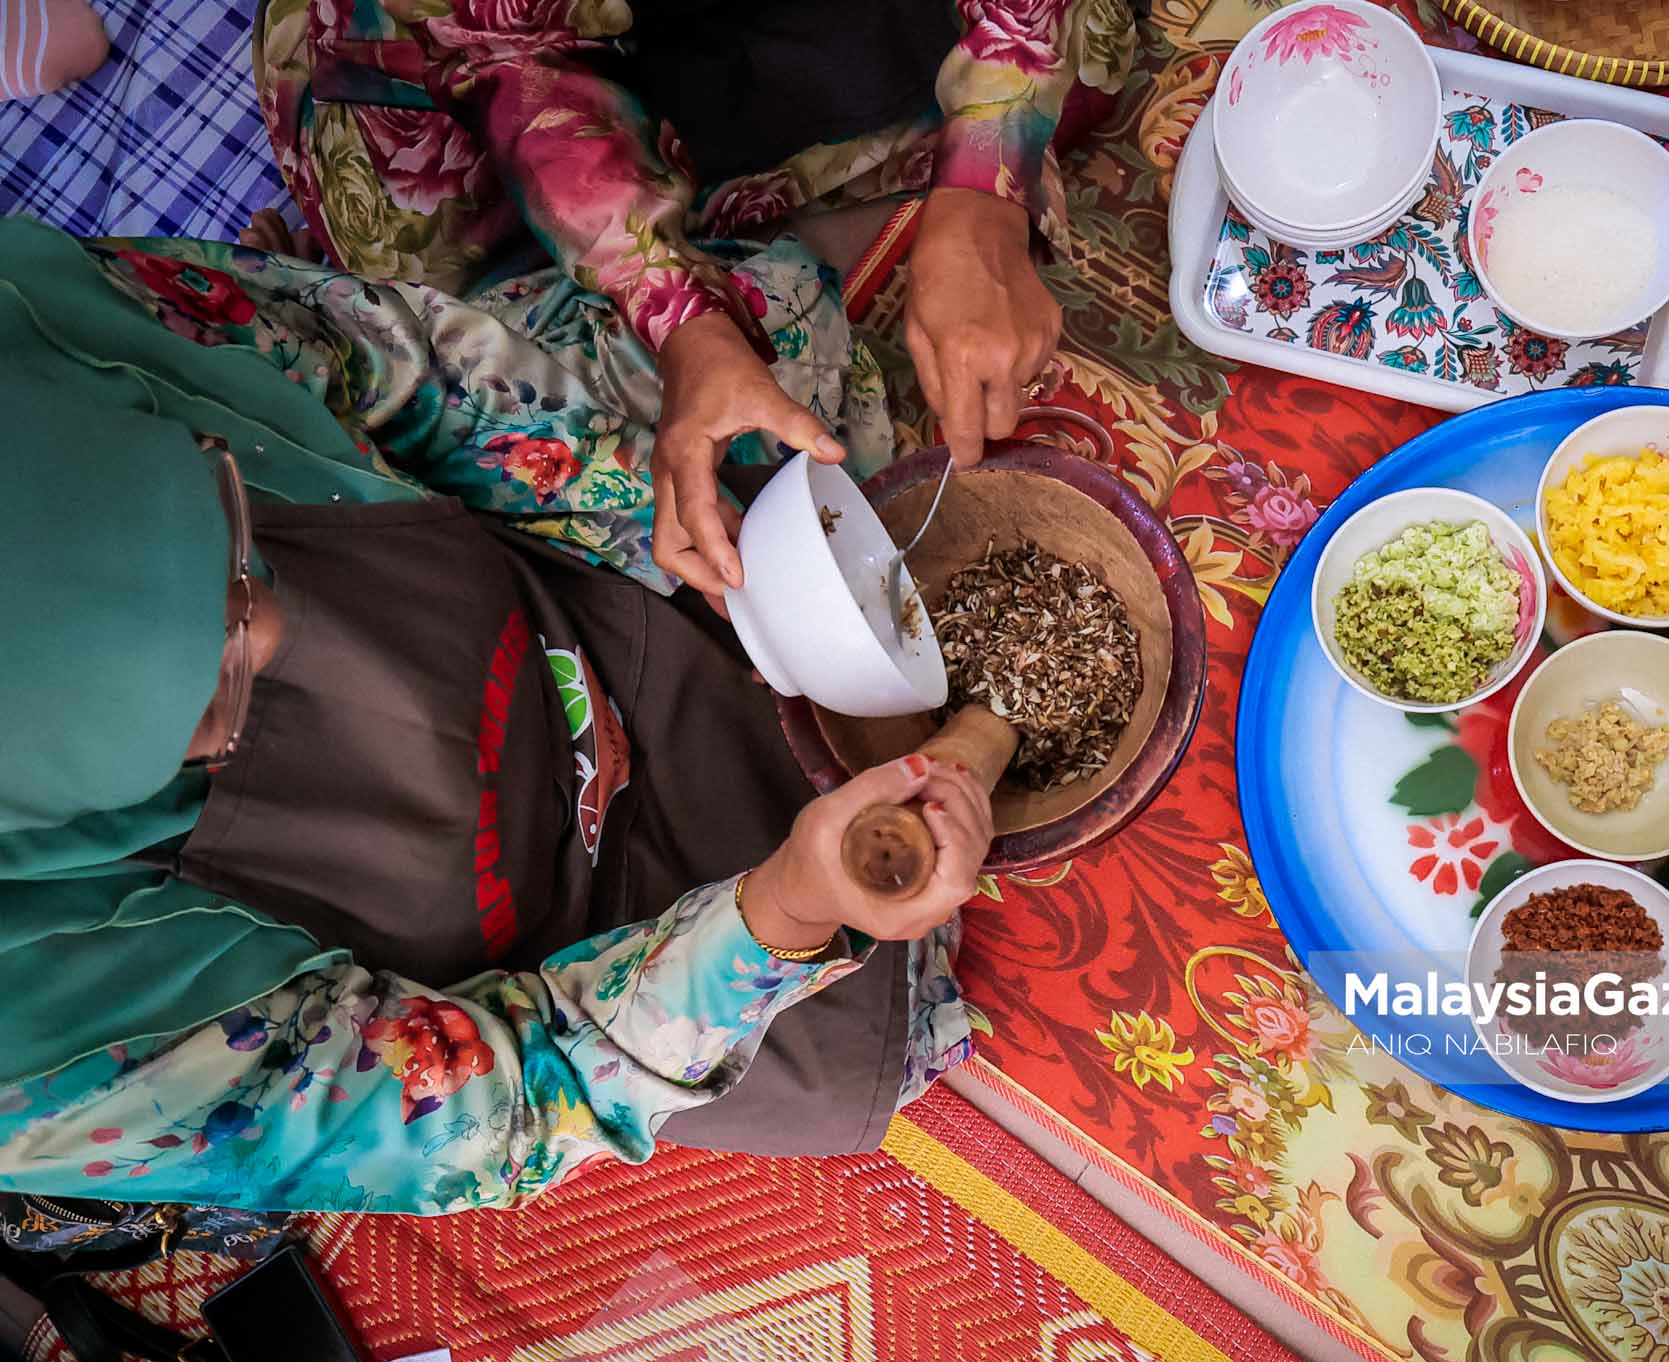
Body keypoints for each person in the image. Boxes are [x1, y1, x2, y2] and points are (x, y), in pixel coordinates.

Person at [0, 213, 992, 1213]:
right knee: (889, 1025)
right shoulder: (33, 1044)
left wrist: (696, 546)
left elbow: (391, 369)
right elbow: (496, 1109)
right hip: (582, 942)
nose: (270, 629)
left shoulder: (36, 320)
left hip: (554, 594)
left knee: (781, 327)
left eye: (226, 529)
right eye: (215, 688)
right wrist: (783, 913)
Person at [250, 0, 1138, 608]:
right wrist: (677, 316)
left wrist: (984, 186)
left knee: (1076, 61)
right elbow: (505, 51)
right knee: (510, 353)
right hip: (482, 53)